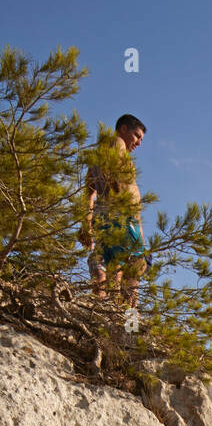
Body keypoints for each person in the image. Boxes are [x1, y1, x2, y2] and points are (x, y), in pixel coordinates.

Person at [81, 114, 147, 305]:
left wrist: (85, 223)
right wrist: (116, 184)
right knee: (135, 268)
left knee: (107, 267)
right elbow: (114, 175)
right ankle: (129, 325)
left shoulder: (97, 156)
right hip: (122, 217)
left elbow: (88, 194)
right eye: (136, 136)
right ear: (124, 129)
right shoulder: (117, 142)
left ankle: (102, 312)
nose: (139, 143)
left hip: (105, 217)